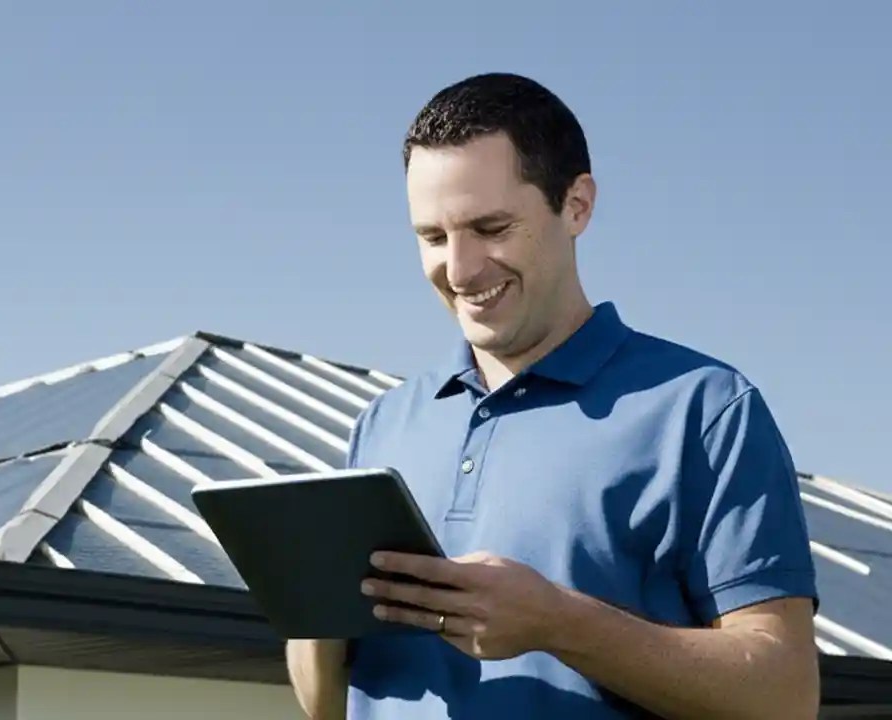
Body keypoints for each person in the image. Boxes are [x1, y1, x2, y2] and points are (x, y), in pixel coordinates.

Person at [285, 73, 820, 719]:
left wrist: (560, 622)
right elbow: (330, 703)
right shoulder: (385, 424)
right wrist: (314, 622)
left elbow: (784, 698)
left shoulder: (703, 411)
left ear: (577, 205)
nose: (459, 270)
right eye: (432, 237)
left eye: (491, 227)